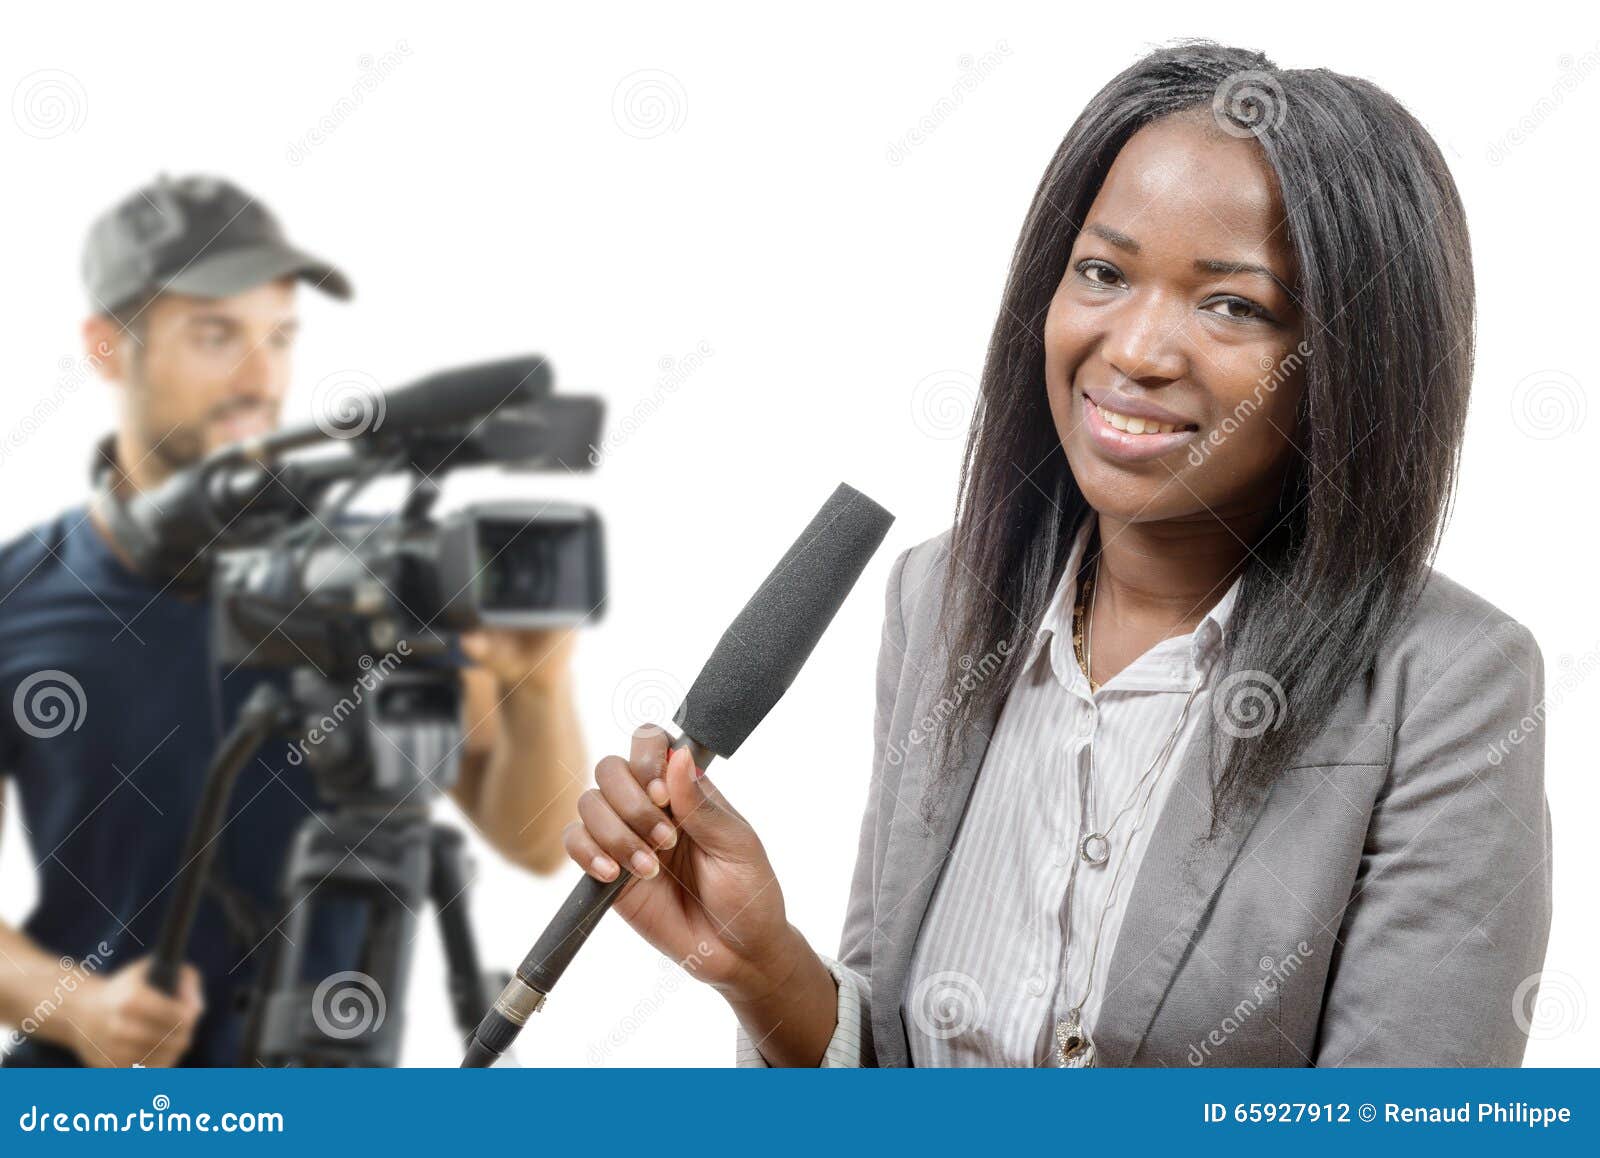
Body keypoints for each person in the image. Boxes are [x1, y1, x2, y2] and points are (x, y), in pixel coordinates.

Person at [561, 41, 1552, 1067]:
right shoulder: (939, 597)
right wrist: (763, 969)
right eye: (1103, 273)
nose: (1133, 350)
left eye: (1231, 304)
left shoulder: (1447, 686)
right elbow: (891, 1064)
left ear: (1352, 364)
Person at [0, 174, 587, 1067]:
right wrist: (74, 1007)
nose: (260, 376)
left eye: (279, 337)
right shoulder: (18, 596)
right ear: (108, 346)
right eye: (215, 335)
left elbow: (536, 838)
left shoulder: (374, 573)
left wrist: (536, 682)